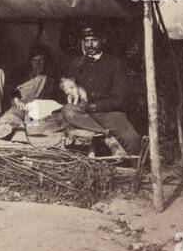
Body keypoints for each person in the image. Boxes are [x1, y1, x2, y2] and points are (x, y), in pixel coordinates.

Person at [60, 25, 142, 155]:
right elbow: (68, 89)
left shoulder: (115, 64)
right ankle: (108, 137)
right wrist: (69, 90)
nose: (89, 45)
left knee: (133, 141)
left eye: (93, 40)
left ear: (102, 40)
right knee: (67, 111)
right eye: (86, 41)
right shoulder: (76, 64)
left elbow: (120, 98)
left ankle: (129, 168)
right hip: (83, 114)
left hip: (109, 113)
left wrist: (96, 106)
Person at [0, 45, 61, 140]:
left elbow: (53, 99)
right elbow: (9, 87)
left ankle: (21, 133)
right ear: (30, 62)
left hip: (33, 109)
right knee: (11, 117)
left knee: (31, 124)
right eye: (35, 60)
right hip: (17, 106)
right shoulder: (21, 74)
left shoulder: (49, 79)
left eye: (41, 60)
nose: (38, 63)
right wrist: (16, 99)